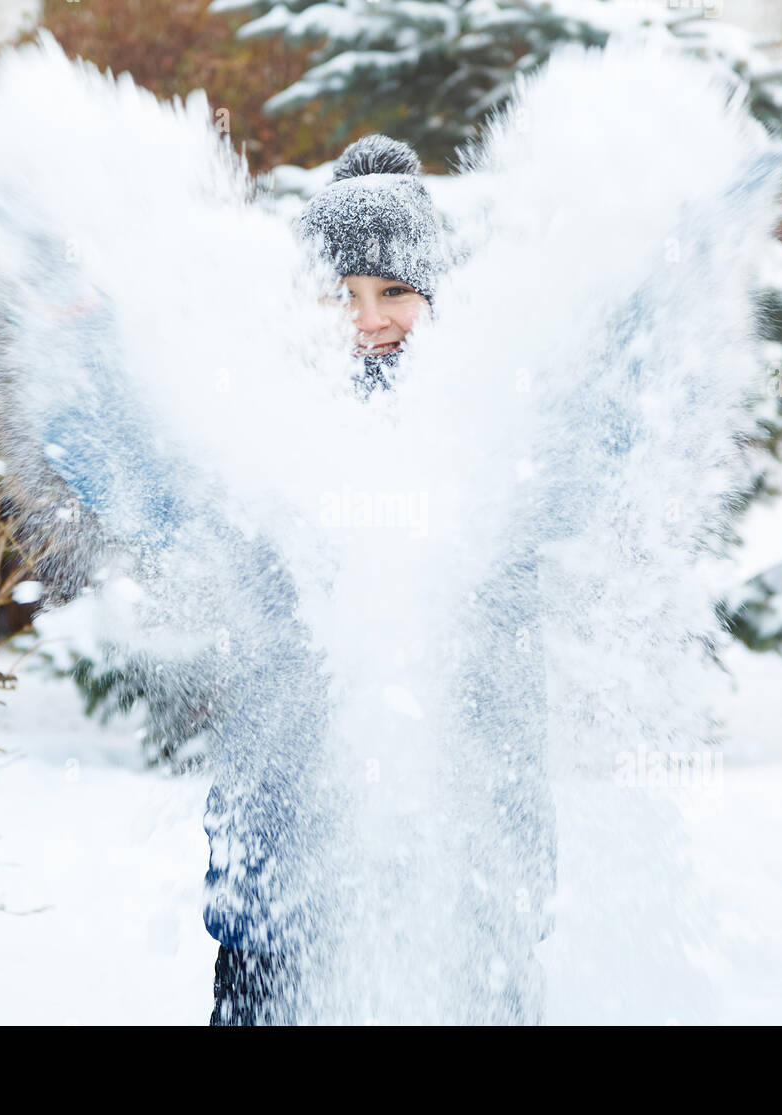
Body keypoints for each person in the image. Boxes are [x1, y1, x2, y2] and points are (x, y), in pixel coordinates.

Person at [204, 134, 556, 1025]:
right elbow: (150, 492)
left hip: (469, 857)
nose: (370, 319)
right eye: (343, 294)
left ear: (438, 293)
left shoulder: (493, 434)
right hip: (282, 870)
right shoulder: (266, 429)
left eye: (396, 289)